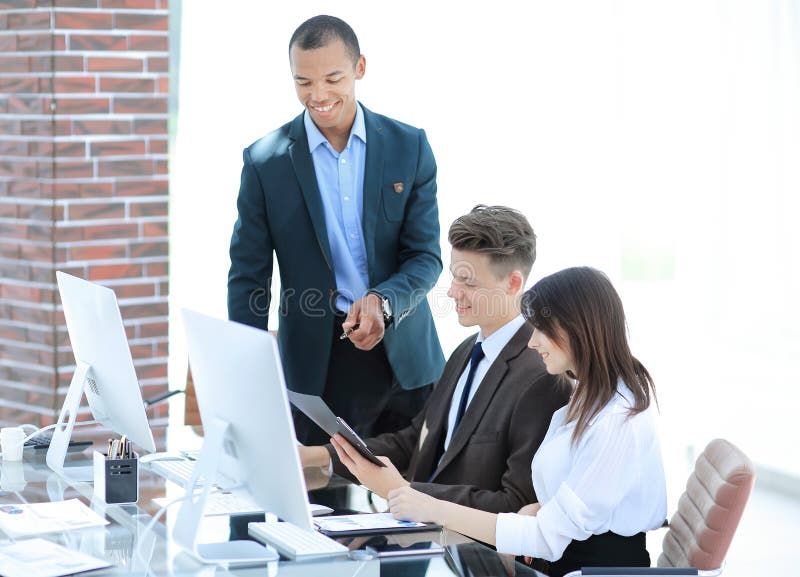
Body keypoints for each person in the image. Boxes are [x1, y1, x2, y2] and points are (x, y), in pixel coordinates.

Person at [227, 15, 445, 445]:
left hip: (408, 358)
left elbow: (426, 257)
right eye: (303, 82)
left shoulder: (410, 146)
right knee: (322, 507)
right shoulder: (265, 163)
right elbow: (248, 277)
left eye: (332, 78)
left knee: (423, 501)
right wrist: (247, 373)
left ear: (360, 68)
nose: (319, 95)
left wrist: (383, 301)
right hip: (318, 366)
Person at [386, 267, 668, 577]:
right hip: (564, 561)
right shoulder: (590, 394)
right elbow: (575, 500)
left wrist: (433, 508)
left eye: (542, 329)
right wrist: (536, 510)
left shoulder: (616, 419)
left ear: (579, 328)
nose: (532, 342)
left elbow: (548, 537)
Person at [300, 205, 569, 514]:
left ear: (513, 284)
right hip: (415, 528)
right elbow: (414, 441)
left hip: (466, 551)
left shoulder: (542, 374)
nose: (453, 293)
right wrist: (316, 456)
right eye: (454, 278)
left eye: (468, 282)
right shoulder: (465, 352)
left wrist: (404, 492)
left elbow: (515, 504)